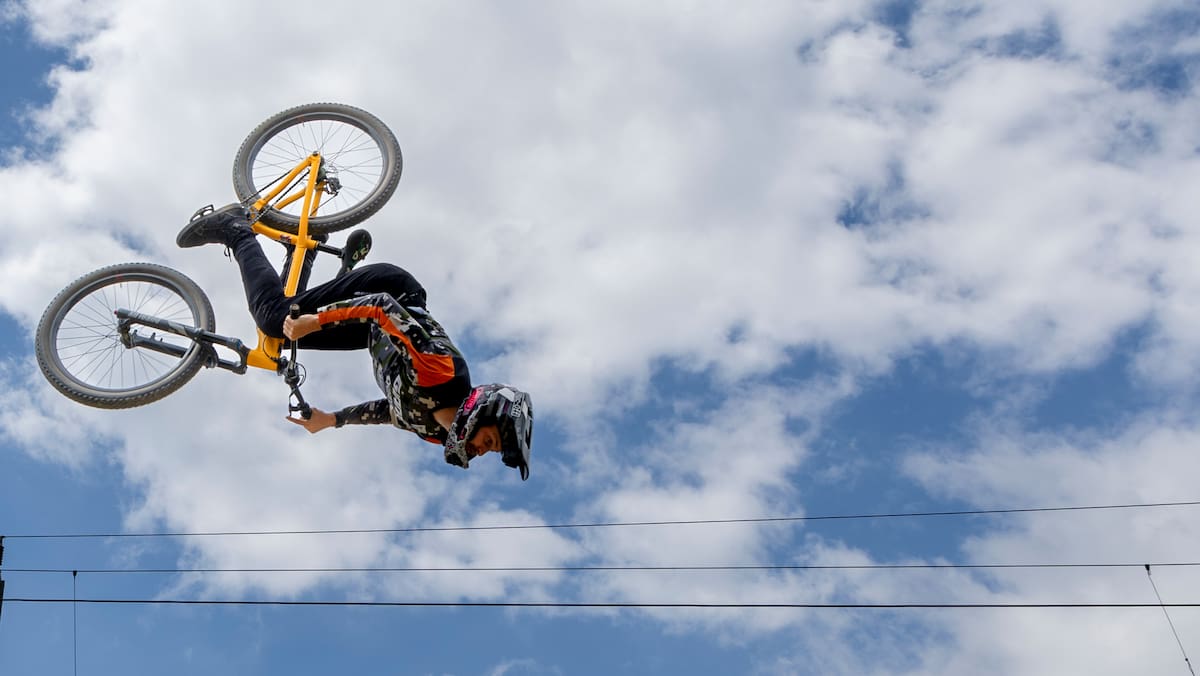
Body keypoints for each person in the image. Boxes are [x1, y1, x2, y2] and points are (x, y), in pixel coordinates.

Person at [176, 203, 533, 480]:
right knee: (274, 319)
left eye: (489, 451)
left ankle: (311, 254)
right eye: (489, 441)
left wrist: (331, 420)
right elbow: (381, 307)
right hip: (387, 293)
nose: (481, 451)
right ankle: (236, 229)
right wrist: (317, 321)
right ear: (484, 411)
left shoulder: (431, 430)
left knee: (284, 334)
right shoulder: (442, 371)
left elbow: (387, 412)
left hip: (370, 331)